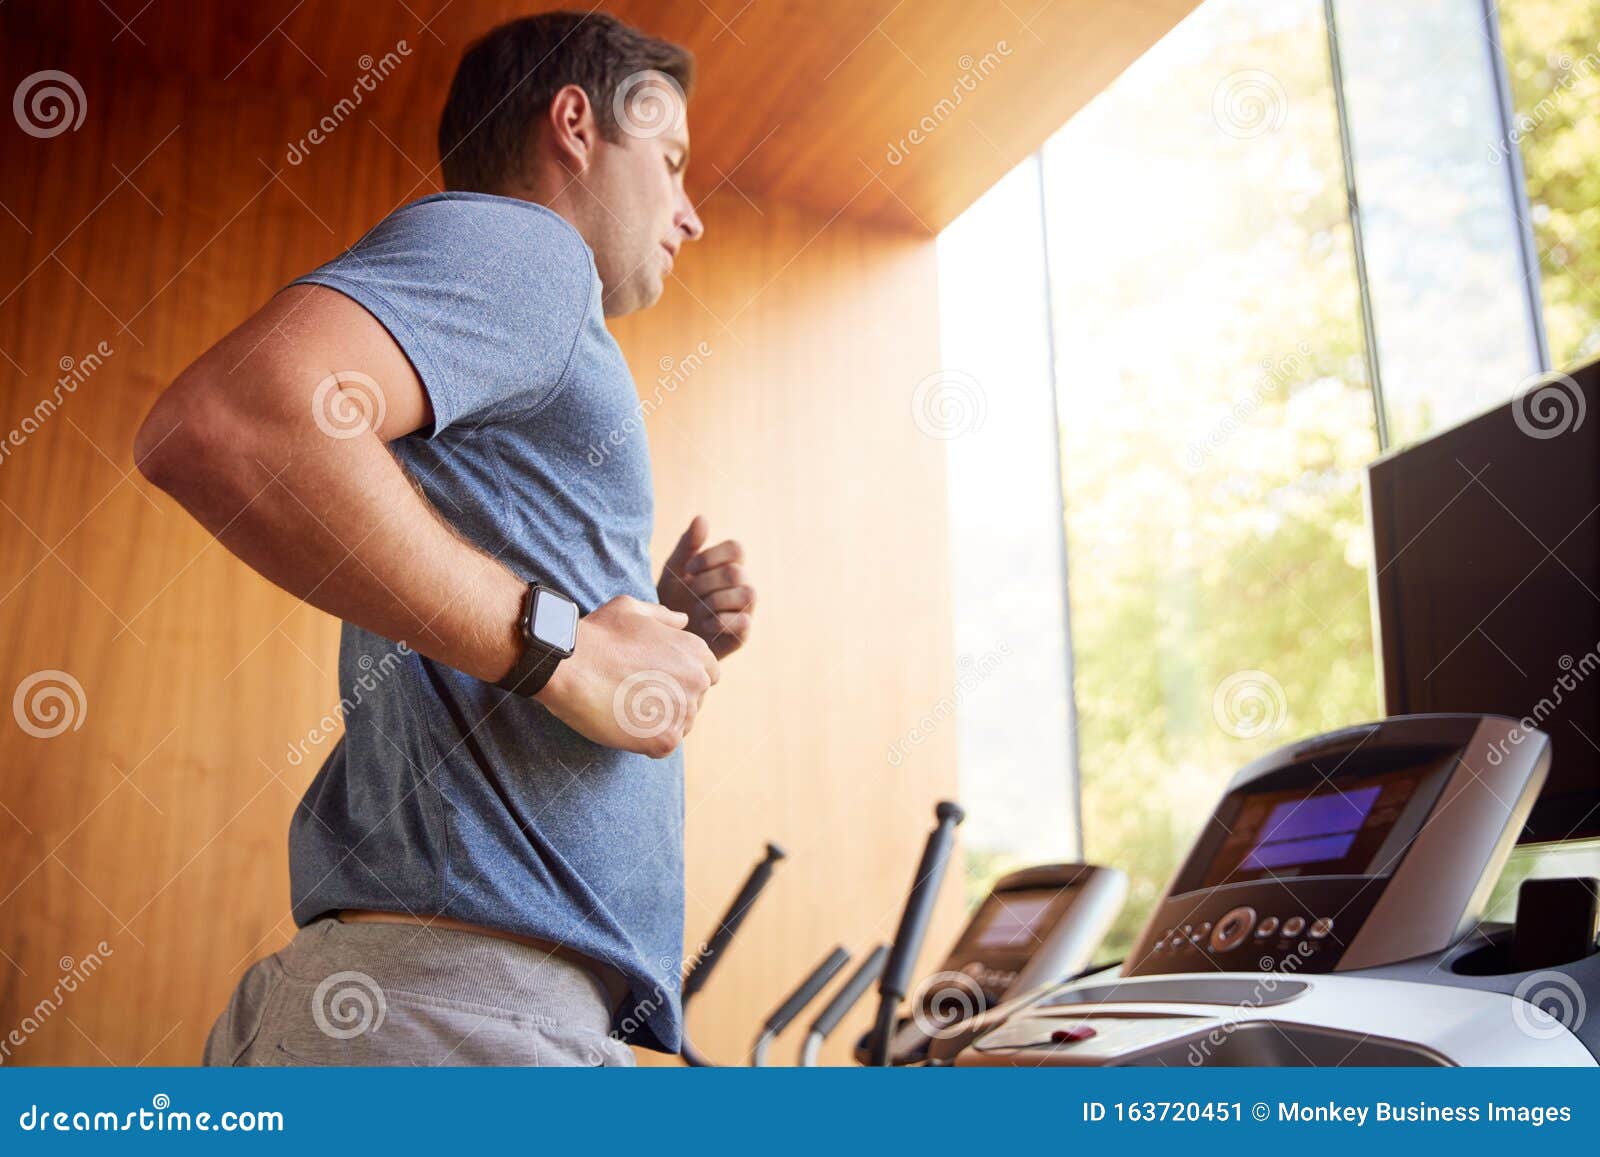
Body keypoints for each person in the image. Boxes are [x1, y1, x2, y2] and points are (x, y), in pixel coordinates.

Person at [134, 10, 755, 1066]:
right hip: (454, 1011)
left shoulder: (529, 304)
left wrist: (650, 628)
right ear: (575, 124)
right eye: (673, 160)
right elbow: (235, 422)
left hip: (461, 1008)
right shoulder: (529, 249)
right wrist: (567, 645)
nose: (689, 213)